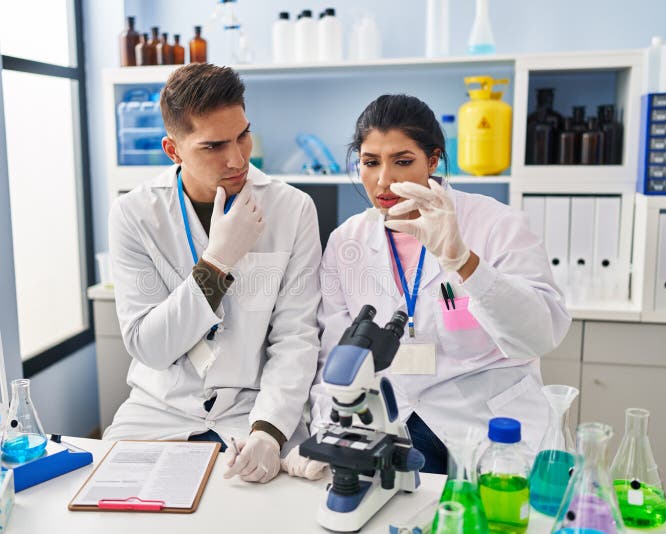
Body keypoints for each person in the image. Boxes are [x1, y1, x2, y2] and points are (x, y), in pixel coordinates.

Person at [309, 94, 571, 474]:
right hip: (393, 420)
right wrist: (327, 431)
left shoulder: (497, 224)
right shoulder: (346, 241)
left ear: (432, 161)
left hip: (487, 422)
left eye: (402, 161)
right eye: (370, 163)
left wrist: (464, 262)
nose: (383, 180)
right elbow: (333, 351)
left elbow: (540, 334)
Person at [104, 63, 325, 483]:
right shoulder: (134, 214)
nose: (237, 157)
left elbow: (296, 336)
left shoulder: (292, 209)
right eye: (213, 146)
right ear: (174, 150)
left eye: (242, 135)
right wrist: (217, 262)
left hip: (253, 410)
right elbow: (147, 347)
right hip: (159, 409)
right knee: (115, 506)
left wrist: (269, 430)